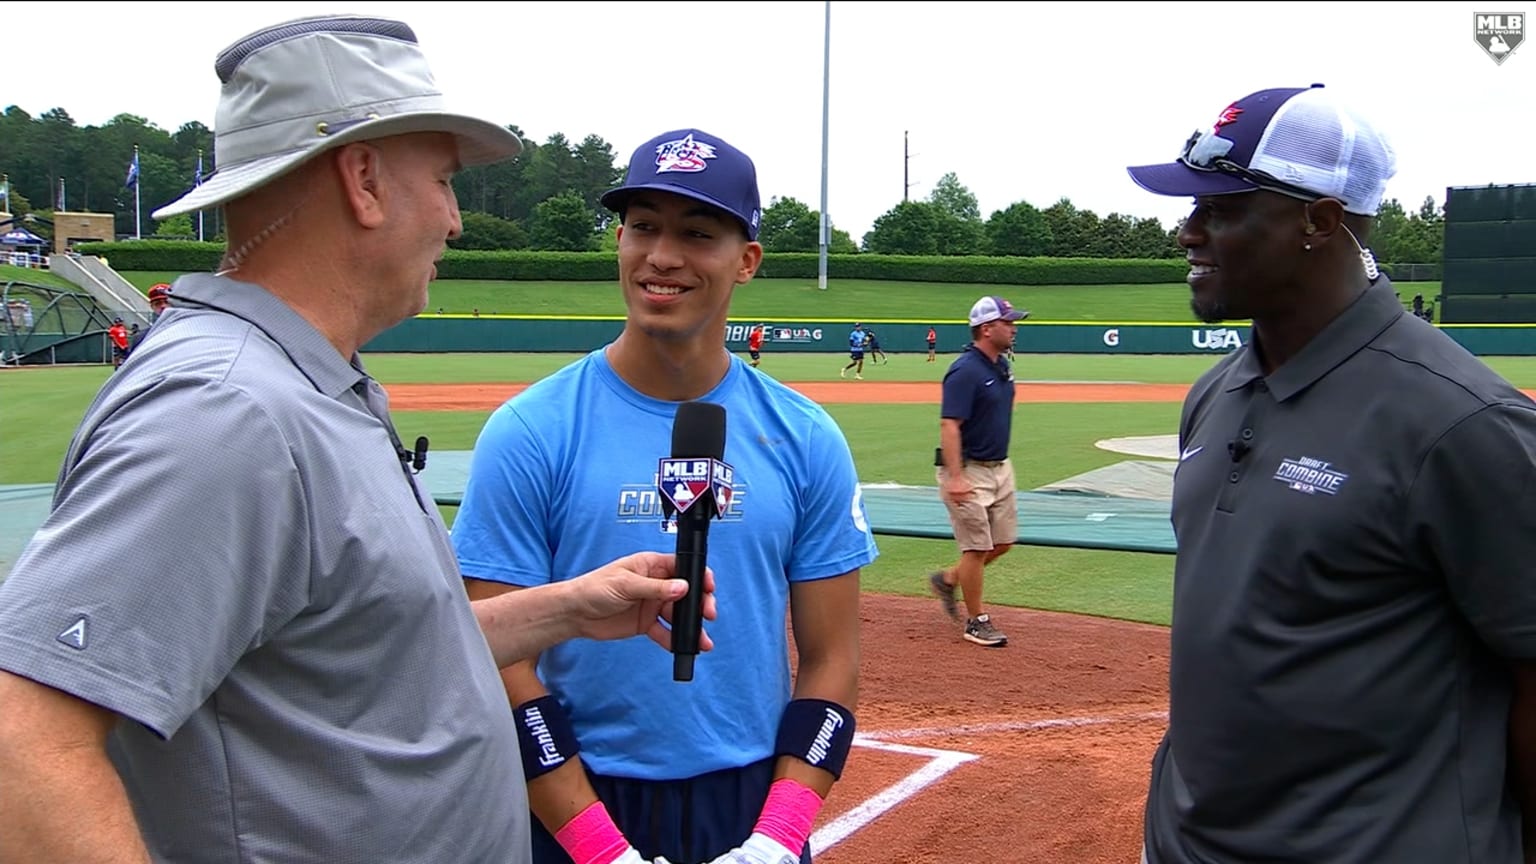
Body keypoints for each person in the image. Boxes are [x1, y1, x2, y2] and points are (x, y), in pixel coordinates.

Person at [0, 16, 715, 864]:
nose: (455, 219)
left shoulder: (303, 383)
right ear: (365, 179)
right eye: (445, 181)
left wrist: (563, 608)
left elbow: (352, 656)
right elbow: (23, 741)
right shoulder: (229, 412)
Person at [1126, 83, 1536, 863]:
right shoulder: (1215, 393)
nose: (1188, 233)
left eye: (1220, 208)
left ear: (1318, 220)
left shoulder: (1464, 423)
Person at [453, 127, 878, 864]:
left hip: (749, 806)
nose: (662, 257)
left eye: (696, 233)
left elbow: (832, 657)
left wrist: (777, 841)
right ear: (618, 240)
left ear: (746, 260)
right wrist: (598, 849)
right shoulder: (530, 430)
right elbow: (497, 656)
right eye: (643, 227)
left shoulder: (806, 437)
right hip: (572, 799)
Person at [927, 295, 1028, 648]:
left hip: (1000, 467)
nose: (1015, 328)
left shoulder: (1000, 366)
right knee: (976, 547)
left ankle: (948, 579)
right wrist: (955, 477)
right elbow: (950, 424)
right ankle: (976, 621)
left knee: (1002, 543)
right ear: (987, 328)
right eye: (1008, 322)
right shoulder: (965, 371)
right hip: (969, 470)